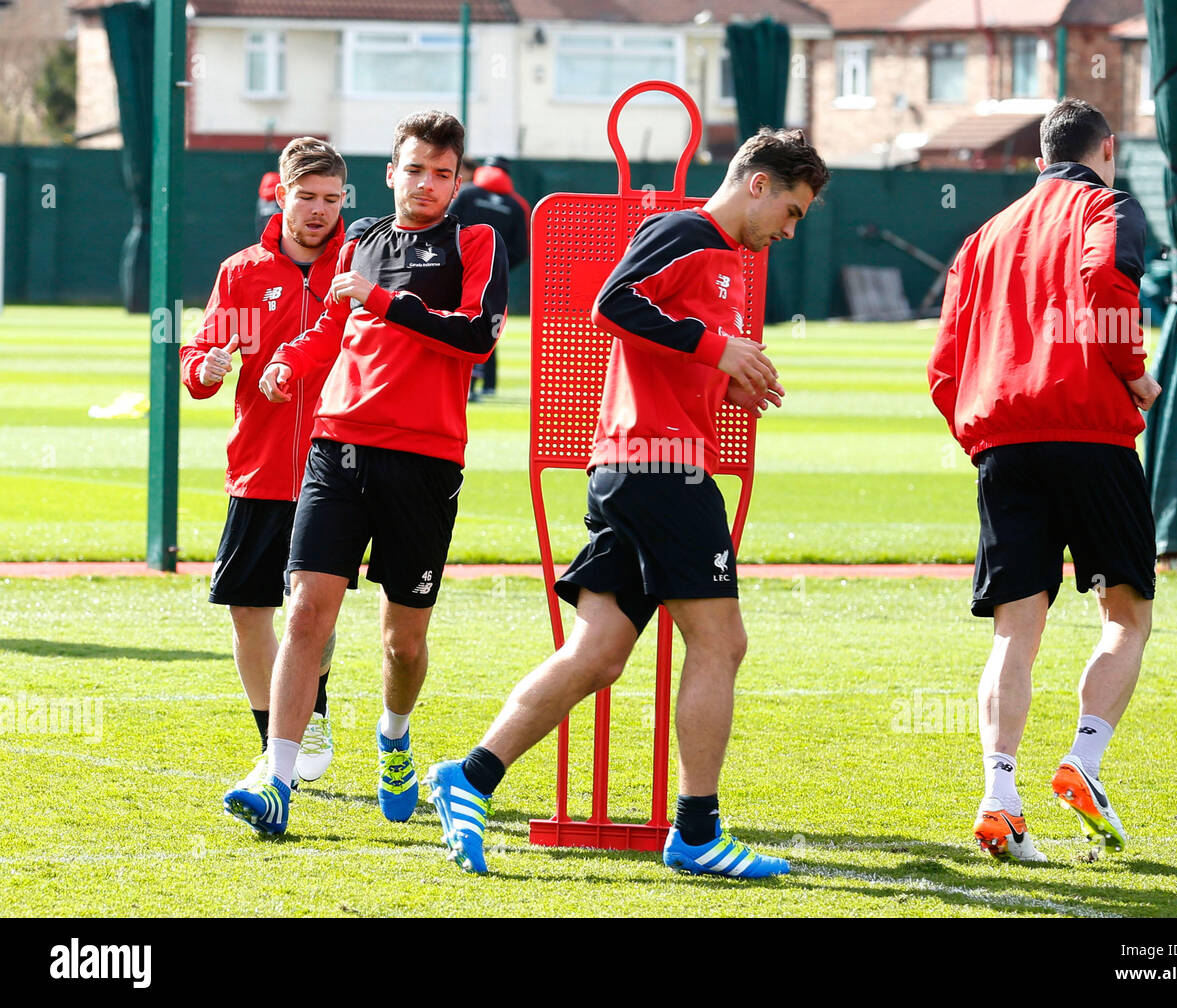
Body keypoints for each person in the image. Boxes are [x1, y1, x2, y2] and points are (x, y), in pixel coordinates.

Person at [424, 127, 829, 877]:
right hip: (660, 468)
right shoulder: (684, 231)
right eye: (794, 211)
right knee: (722, 642)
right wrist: (716, 351)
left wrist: (727, 376)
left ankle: (468, 777)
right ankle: (698, 833)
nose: (790, 229)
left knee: (599, 653)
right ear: (761, 185)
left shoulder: (728, 262)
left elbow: (670, 344)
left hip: (639, 465)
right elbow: (611, 303)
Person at [221, 110, 508, 837]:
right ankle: (277, 777)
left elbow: (476, 337)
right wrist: (292, 361)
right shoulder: (364, 237)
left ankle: (394, 733)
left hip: (425, 460)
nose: (427, 185)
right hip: (337, 446)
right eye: (415, 170)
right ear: (390, 172)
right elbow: (333, 326)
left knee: (400, 643)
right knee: (308, 610)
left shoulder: (476, 240)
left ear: (459, 179)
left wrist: (382, 301)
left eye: (443, 174)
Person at [927, 98, 1161, 862]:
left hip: (1006, 445)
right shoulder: (1108, 205)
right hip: (1091, 436)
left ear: (1037, 161)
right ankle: (1084, 764)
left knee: (1013, 633)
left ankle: (1000, 795)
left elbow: (944, 368)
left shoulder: (982, 234)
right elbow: (1104, 278)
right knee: (1126, 614)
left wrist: (984, 437)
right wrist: (1136, 375)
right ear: (1108, 149)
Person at [181, 137, 349, 792]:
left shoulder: (357, 267)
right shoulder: (242, 272)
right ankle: (272, 742)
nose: (318, 211)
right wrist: (207, 366)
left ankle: (314, 713)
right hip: (260, 468)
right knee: (249, 612)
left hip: (338, 470)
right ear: (279, 194)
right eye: (306, 197)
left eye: (331, 199)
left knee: (316, 609)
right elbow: (200, 363)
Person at [449, 155, 529, 399]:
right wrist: (498, 267)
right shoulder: (517, 205)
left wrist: (459, 260)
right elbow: (522, 249)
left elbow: (448, 224)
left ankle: (463, 384)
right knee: (489, 325)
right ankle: (489, 384)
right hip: (494, 276)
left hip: (459, 271)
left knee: (458, 321)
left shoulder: (466, 193)